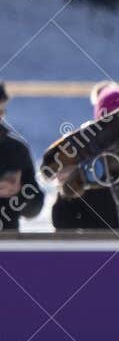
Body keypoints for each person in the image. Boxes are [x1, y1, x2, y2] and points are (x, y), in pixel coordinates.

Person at [50, 83, 119, 231]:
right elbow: (62, 221)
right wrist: (65, 189)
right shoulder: (83, 162)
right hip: (97, 247)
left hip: (108, 246)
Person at [0, 81, 44, 232]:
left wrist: (20, 193)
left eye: (2, 110)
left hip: (7, 244)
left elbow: (34, 209)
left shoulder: (16, 149)